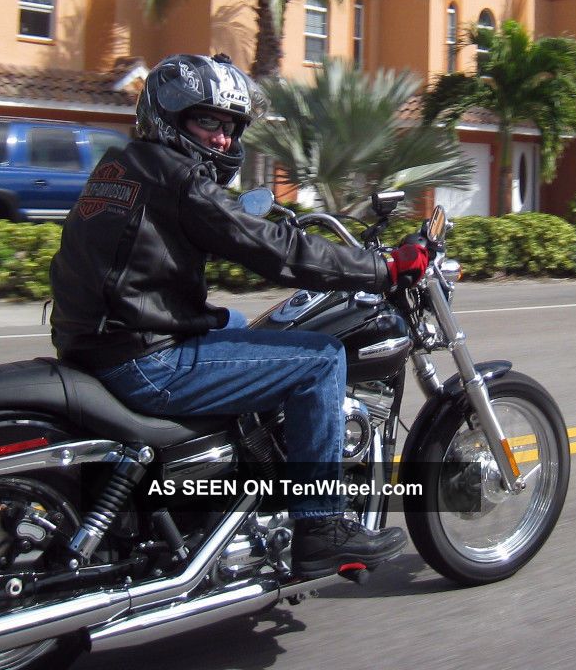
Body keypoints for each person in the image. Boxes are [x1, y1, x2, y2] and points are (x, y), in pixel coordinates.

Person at [49, 53, 431, 576]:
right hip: (142, 359)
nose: (224, 139)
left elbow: (221, 227)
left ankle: (238, 477)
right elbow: (276, 252)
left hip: (100, 340)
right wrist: (381, 267)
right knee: (319, 360)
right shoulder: (179, 179)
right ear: (170, 116)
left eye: (230, 127)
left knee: (235, 325)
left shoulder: (122, 165)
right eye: (209, 121)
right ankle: (320, 526)